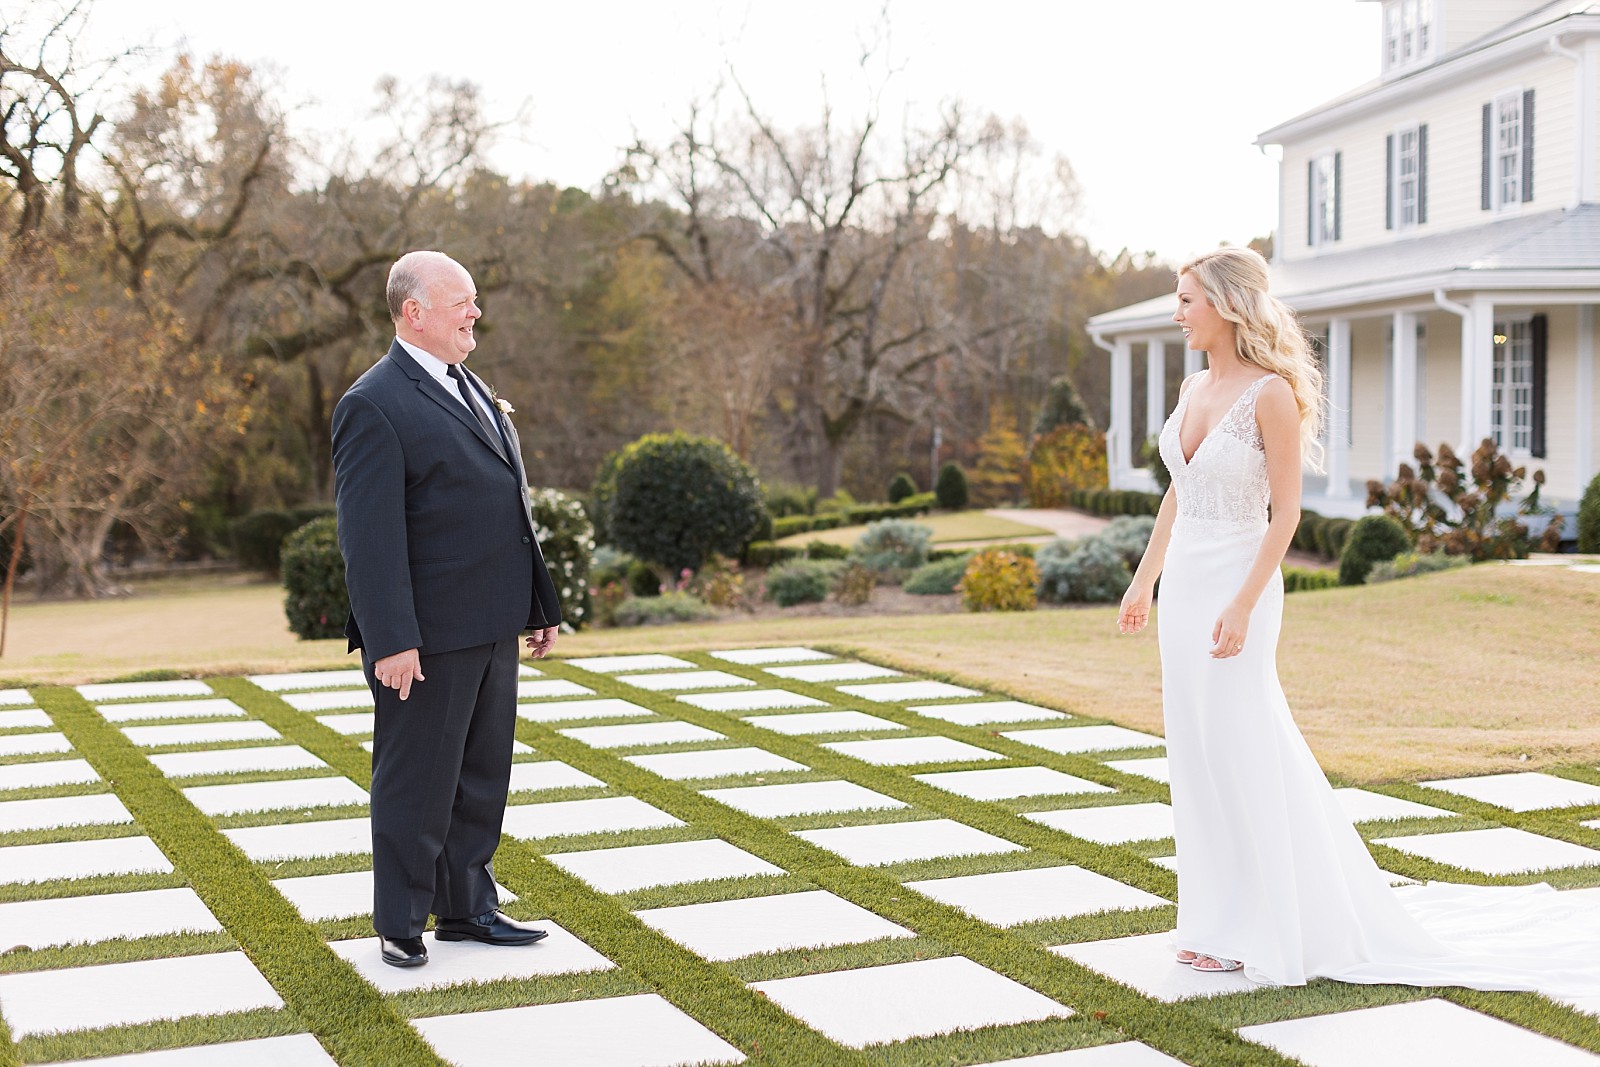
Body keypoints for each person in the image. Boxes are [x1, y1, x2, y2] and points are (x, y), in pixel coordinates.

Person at [1116, 246, 1600, 992]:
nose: (1177, 312)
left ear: (1226, 305)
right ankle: (1211, 924)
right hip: (1185, 587)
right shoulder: (1191, 386)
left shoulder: (1269, 394)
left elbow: (1287, 514)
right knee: (1197, 752)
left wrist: (1243, 602)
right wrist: (1144, 581)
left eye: (1187, 300)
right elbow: (1177, 493)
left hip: (1242, 581)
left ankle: (1272, 924)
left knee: (1243, 745)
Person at [333, 250, 562, 968]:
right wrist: (391, 638)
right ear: (415, 312)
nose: (476, 312)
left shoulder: (471, 386)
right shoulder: (372, 403)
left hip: (492, 624)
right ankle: (400, 920)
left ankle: (467, 908)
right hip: (424, 639)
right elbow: (368, 538)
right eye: (463, 300)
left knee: (481, 774)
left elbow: (508, 508)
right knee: (416, 779)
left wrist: (537, 603)